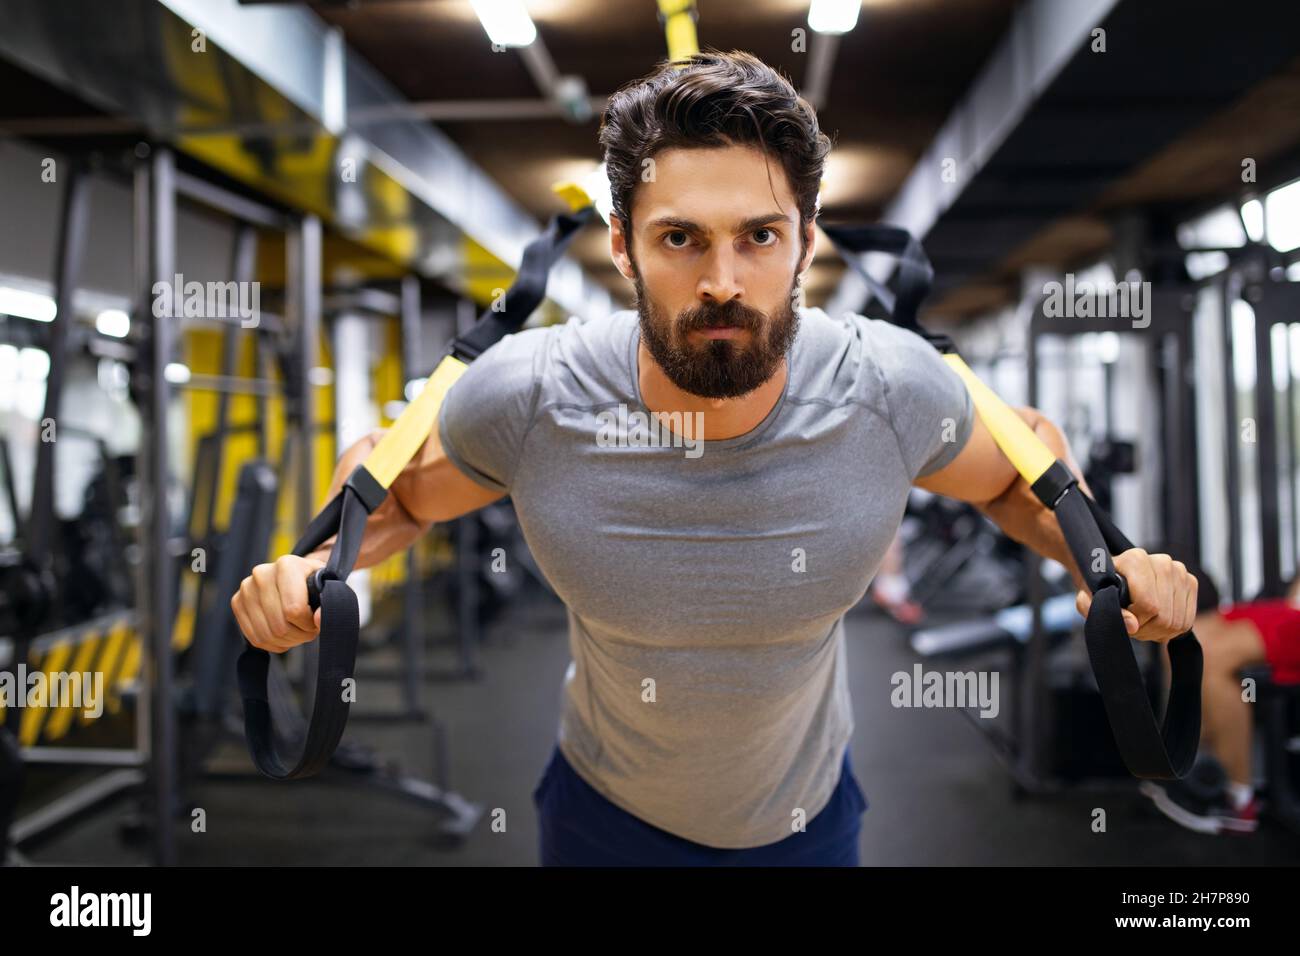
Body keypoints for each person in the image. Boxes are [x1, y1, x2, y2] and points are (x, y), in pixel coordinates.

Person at [232, 51, 1198, 866]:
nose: (722, 282)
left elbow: (1026, 466)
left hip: (809, 823)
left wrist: (1106, 565)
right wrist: (316, 571)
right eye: (680, 239)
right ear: (623, 247)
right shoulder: (532, 395)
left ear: (805, 243)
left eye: (760, 236)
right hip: (602, 818)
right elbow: (393, 485)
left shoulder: (889, 387)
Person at [1140, 569, 1300, 835]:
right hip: (1288, 610)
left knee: (1208, 654)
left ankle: (1238, 799)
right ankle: (1188, 765)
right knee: (1179, 634)